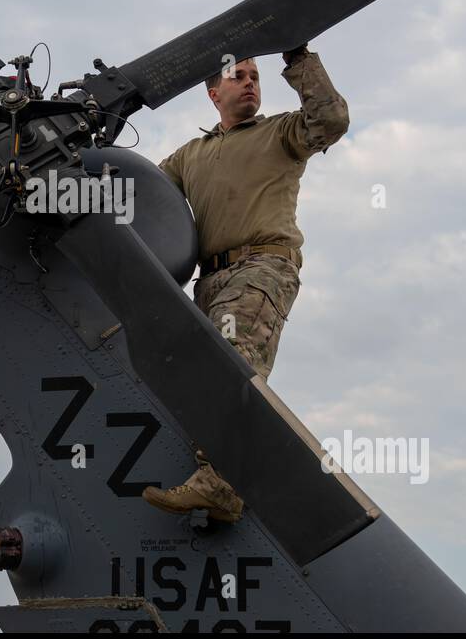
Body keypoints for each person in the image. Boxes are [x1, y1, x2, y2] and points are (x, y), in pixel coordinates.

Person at [141, 45, 350, 522]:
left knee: (231, 363)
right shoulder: (189, 156)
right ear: (214, 93)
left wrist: (298, 57)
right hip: (209, 282)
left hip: (262, 267)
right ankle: (225, 495)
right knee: (196, 380)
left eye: (255, 76)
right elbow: (140, 196)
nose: (251, 82)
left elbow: (331, 120)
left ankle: (220, 482)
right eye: (239, 76)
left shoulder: (281, 132)